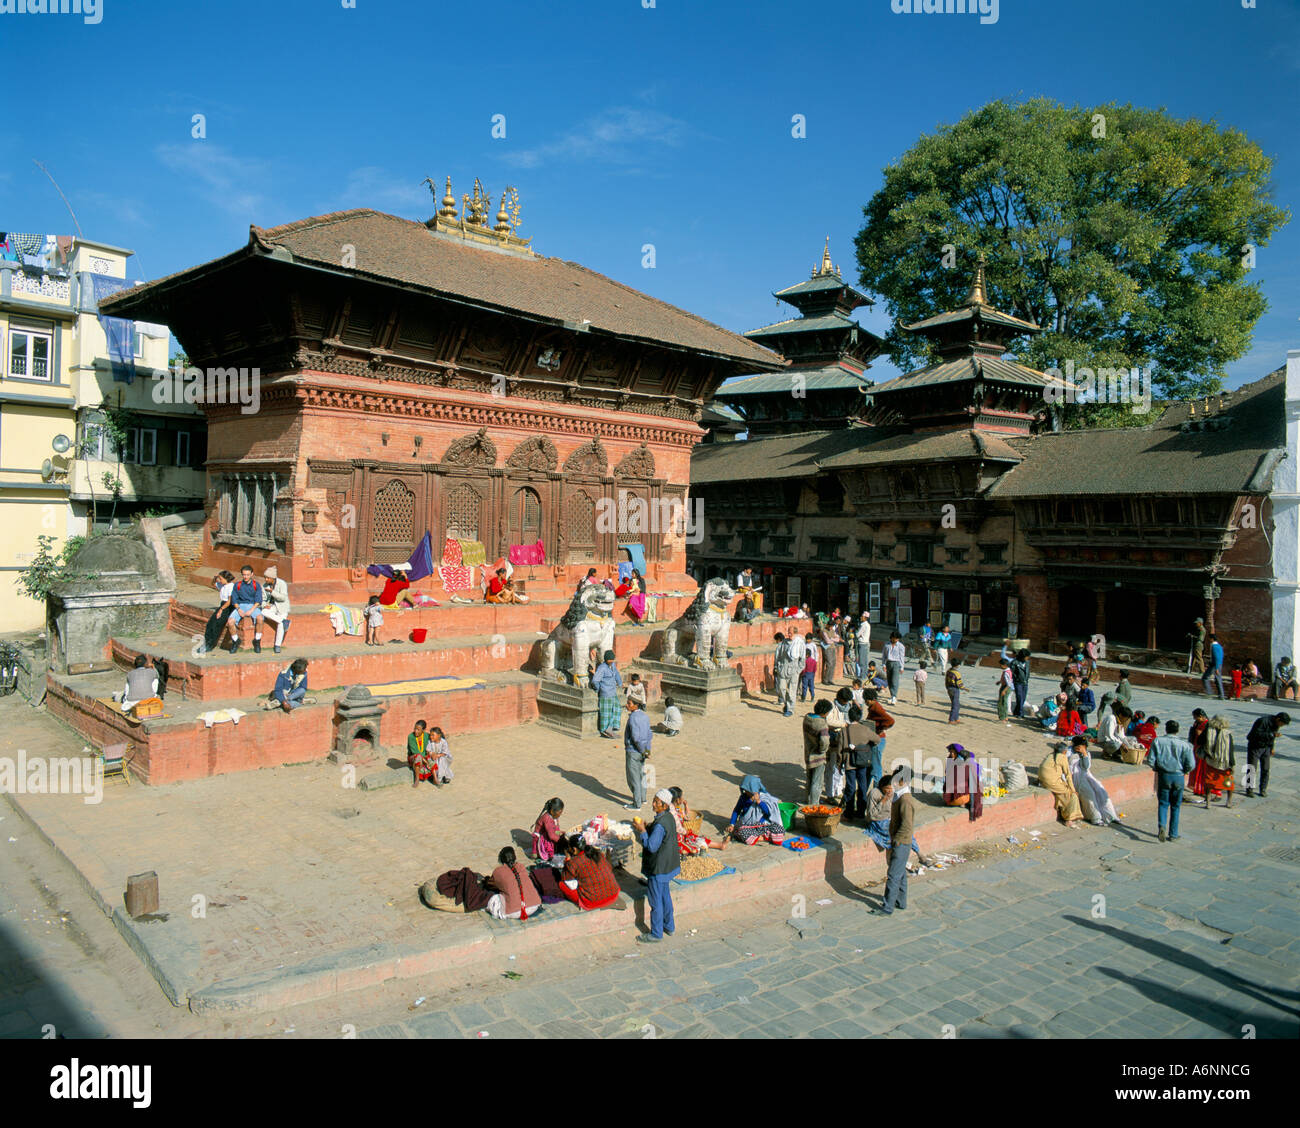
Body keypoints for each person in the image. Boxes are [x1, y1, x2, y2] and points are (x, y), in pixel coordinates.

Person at [633, 789, 681, 942]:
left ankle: (656, 933)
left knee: (655, 901)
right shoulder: (668, 818)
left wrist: (642, 831)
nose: (653, 804)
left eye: (656, 802)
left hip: (658, 868)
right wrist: (648, 828)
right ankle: (669, 926)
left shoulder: (661, 824)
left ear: (665, 806)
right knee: (665, 896)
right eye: (653, 801)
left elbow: (651, 846)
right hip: (668, 866)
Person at [863, 773, 933, 866]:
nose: (889, 791)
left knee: (906, 831)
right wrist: (882, 802)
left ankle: (919, 853)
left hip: (890, 819)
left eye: (891, 788)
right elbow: (871, 815)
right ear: (882, 787)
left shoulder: (895, 793)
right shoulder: (874, 793)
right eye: (887, 788)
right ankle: (918, 855)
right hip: (878, 822)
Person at [1146, 720, 1196, 842]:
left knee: (1163, 803)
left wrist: (1156, 768)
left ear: (1166, 729)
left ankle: (1162, 826)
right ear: (1177, 730)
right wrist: (1185, 770)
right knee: (1175, 806)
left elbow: (1150, 760)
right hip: (1178, 776)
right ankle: (1173, 834)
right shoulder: (1185, 745)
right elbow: (1191, 764)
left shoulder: (1157, 741)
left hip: (1164, 775)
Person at [875, 768, 916, 915]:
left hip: (901, 842)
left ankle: (887, 907)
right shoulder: (899, 796)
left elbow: (907, 825)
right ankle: (901, 901)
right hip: (899, 840)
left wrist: (897, 841)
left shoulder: (905, 801)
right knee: (901, 873)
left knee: (893, 875)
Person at [558, 835, 621, 911]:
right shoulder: (598, 854)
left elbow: (565, 878)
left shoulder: (573, 862)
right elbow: (609, 868)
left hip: (593, 902)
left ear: (574, 849)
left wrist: (567, 859)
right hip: (613, 894)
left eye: (569, 848)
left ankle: (581, 901)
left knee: (562, 884)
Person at [722, 775, 785, 846]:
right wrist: (732, 824)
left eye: (747, 790)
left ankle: (758, 837)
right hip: (748, 826)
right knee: (742, 832)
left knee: (779, 830)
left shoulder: (763, 797)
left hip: (762, 825)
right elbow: (737, 810)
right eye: (744, 789)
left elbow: (769, 813)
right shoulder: (743, 798)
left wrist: (759, 802)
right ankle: (764, 838)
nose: (745, 791)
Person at [1069, 736, 1117, 826]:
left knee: (1101, 791)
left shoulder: (1086, 753)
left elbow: (1086, 767)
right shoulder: (1069, 753)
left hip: (1086, 775)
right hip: (1076, 777)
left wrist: (1084, 754)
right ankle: (1095, 817)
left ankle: (1110, 815)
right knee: (1089, 793)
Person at [841, 706, 878, 821]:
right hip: (862, 763)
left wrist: (839, 763)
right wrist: (866, 747)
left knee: (850, 787)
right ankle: (861, 812)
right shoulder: (865, 729)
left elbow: (839, 750)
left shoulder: (844, 731)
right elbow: (877, 739)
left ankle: (849, 812)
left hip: (849, 763)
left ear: (849, 716)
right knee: (862, 787)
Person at [486, 846, 541, 920]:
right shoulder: (521, 866)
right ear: (515, 857)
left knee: (495, 897)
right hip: (535, 906)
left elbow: (490, 885)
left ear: (501, 859)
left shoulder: (498, 871)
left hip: (514, 912)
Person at [1038, 742, 1083, 828]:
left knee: (1063, 789)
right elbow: (1068, 775)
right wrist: (1073, 790)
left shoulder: (1050, 755)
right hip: (1051, 782)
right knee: (1071, 795)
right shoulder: (1062, 757)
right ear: (1064, 752)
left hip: (1043, 781)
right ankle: (1068, 819)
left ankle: (1062, 809)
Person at [1245, 712, 1290, 798]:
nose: (1281, 726)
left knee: (1266, 769)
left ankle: (1263, 789)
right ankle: (1249, 789)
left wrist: (1272, 747)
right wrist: (1272, 734)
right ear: (1278, 719)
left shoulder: (1276, 725)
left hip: (1266, 748)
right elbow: (1255, 734)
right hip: (1255, 747)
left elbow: (1273, 737)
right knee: (1252, 768)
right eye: (1282, 723)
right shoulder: (1263, 721)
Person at [1192, 714, 1234, 807]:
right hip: (1225, 762)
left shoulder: (1208, 731)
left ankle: (1208, 802)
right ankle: (1229, 801)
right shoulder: (1228, 733)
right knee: (1228, 782)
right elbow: (1231, 750)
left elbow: (1199, 742)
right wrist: (1232, 764)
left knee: (1209, 782)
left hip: (1210, 761)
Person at [622, 697, 653, 810]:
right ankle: (643, 798)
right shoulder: (645, 716)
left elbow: (636, 738)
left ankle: (636, 804)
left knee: (633, 778)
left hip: (634, 751)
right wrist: (647, 751)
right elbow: (649, 735)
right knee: (641, 776)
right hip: (643, 751)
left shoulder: (633, 718)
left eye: (629, 703)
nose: (627, 705)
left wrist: (642, 750)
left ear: (636, 705)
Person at [226, 565, 265, 653]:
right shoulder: (238, 585)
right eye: (244, 575)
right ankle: (236, 641)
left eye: (247, 575)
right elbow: (234, 600)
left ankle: (257, 640)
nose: (246, 577)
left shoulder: (256, 585)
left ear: (252, 574)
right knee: (230, 621)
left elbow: (258, 600)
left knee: (260, 618)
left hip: (252, 606)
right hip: (240, 605)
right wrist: (239, 609)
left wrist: (251, 610)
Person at [197, 570, 237, 654]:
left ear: (226, 578)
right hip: (222, 605)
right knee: (210, 624)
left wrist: (221, 610)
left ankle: (210, 645)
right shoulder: (222, 585)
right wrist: (215, 578)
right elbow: (213, 584)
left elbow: (230, 601)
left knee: (217, 626)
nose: (220, 580)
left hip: (227, 607)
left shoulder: (231, 586)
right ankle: (206, 643)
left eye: (221, 578)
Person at [802, 699, 832, 809]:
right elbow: (824, 742)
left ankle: (807, 798)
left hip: (808, 752)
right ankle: (813, 804)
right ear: (825, 712)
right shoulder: (821, 724)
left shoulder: (807, 718)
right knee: (817, 782)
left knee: (809, 778)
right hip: (818, 756)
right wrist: (823, 750)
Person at [668, 787, 715, 855]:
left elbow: (687, 817)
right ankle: (718, 845)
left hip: (681, 834)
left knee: (696, 838)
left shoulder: (677, 809)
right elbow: (678, 828)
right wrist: (686, 832)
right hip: (676, 838)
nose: (682, 798)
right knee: (693, 843)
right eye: (681, 797)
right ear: (678, 800)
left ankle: (720, 845)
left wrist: (686, 805)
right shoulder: (672, 811)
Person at [942, 743, 983, 821]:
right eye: (951, 752)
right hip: (959, 800)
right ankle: (964, 802)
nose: (951, 754)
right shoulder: (967, 766)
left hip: (947, 800)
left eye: (953, 752)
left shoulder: (951, 763)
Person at [591, 650, 623, 738]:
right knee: (606, 713)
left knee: (617, 709)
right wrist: (598, 689)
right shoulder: (602, 668)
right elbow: (595, 680)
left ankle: (611, 728)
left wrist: (620, 683)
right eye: (610, 660)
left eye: (612, 660)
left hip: (613, 692)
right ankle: (604, 730)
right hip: (605, 693)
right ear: (606, 659)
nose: (611, 661)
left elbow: (617, 674)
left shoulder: (612, 665)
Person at [261, 566, 292, 653]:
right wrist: (264, 605)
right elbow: (263, 599)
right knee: (264, 612)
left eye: (268, 578)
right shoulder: (264, 586)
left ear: (273, 578)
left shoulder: (282, 584)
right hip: (272, 606)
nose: (266, 579)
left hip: (282, 606)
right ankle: (283, 621)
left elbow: (283, 598)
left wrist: (272, 592)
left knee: (280, 625)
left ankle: (277, 645)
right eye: (265, 578)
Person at [773, 631, 799, 717]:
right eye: (789, 633)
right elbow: (777, 657)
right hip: (782, 669)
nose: (789, 635)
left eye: (791, 633)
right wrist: (776, 667)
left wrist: (798, 669)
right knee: (781, 688)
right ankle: (785, 703)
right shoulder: (781, 645)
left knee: (792, 689)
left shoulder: (797, 644)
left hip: (793, 670)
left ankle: (790, 709)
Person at [531, 798, 565, 863]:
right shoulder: (547, 818)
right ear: (552, 811)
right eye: (560, 812)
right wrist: (561, 840)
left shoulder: (554, 816)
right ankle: (537, 851)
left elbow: (556, 830)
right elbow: (551, 835)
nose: (560, 814)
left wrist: (562, 833)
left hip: (548, 832)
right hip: (541, 838)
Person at [408, 718, 435, 788]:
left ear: (423, 730)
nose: (415, 731)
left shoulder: (426, 736)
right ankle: (417, 779)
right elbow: (415, 751)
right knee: (418, 757)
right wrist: (425, 761)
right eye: (415, 729)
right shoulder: (411, 737)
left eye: (418, 729)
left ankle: (435, 778)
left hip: (424, 756)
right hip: (413, 757)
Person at [883, 631, 905, 705]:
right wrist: (883, 665)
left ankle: (894, 696)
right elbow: (884, 655)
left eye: (897, 639)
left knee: (895, 680)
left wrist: (902, 667)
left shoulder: (901, 646)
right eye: (895, 638)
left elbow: (902, 657)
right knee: (889, 680)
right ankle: (892, 695)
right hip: (888, 662)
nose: (896, 640)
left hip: (896, 663)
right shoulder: (887, 645)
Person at [1202, 633, 1225, 700]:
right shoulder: (1219, 646)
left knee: (1205, 677)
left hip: (1215, 665)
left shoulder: (1214, 646)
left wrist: (1217, 668)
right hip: (1218, 664)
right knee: (1218, 679)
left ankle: (1209, 693)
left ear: (1212, 639)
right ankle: (1221, 695)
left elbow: (1216, 657)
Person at [819, 619, 840, 685]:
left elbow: (838, 639)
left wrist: (832, 639)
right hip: (827, 648)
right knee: (829, 664)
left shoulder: (832, 631)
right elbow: (827, 641)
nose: (831, 628)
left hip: (833, 648)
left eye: (832, 626)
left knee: (833, 664)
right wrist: (833, 639)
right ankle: (825, 679)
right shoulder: (824, 631)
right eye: (830, 626)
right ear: (827, 625)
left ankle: (830, 679)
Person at [1011, 649, 1031, 718]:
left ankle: (1016, 711)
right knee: (1019, 698)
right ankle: (1020, 713)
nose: (1028, 658)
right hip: (1018, 683)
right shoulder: (1015, 662)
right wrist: (1016, 679)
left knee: (1023, 698)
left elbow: (1028, 671)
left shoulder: (1027, 662)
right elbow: (1012, 673)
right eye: (1026, 656)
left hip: (1025, 682)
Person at [799, 635, 818, 702]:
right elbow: (815, 669)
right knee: (811, 686)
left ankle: (803, 698)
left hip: (805, 674)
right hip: (811, 674)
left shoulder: (805, 661)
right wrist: (813, 674)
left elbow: (804, 668)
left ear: (806, 655)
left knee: (804, 687)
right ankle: (812, 697)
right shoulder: (813, 661)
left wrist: (802, 673)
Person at [996, 659, 1013, 723]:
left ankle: (1002, 717)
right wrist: (1000, 681)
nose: (1000, 666)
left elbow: (1009, 683)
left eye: (1000, 665)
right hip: (1005, 686)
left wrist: (1004, 691)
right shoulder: (1008, 671)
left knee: (1001, 703)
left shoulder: (1006, 673)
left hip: (1005, 688)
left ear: (1004, 665)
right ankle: (1005, 717)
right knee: (1004, 702)